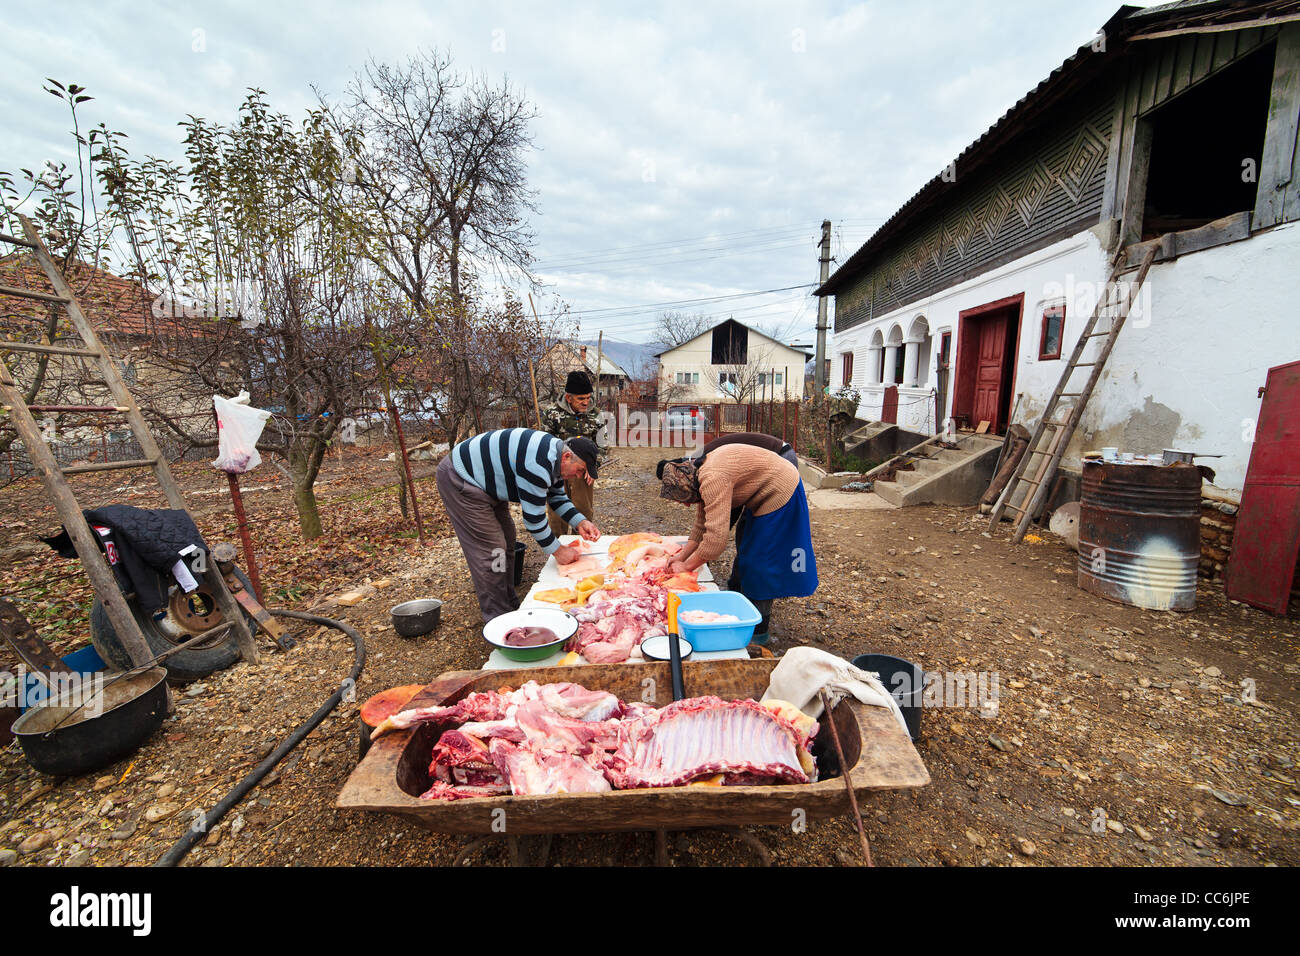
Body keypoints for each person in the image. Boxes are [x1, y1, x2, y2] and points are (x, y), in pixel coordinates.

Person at [437, 428, 601, 622]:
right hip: (462, 479)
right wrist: (558, 551)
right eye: (580, 470)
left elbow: (556, 497)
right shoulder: (538, 464)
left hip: (488, 485)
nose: (579, 476)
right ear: (566, 457)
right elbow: (533, 519)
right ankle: (499, 618)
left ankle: (509, 602)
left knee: (508, 538)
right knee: (493, 549)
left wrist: (579, 521)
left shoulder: (556, 461)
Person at [659, 444, 818, 643]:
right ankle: (740, 604)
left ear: (688, 487)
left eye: (685, 500)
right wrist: (680, 556)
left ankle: (759, 631)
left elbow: (715, 542)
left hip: (780, 489)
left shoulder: (712, 479)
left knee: (760, 561)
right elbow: (702, 526)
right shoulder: (698, 475)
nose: (687, 505)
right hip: (761, 490)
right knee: (748, 552)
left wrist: (685, 567)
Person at [544, 370, 609, 538]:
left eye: (588, 398)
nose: (586, 402)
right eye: (581, 399)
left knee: (583, 510)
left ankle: (582, 547)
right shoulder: (552, 413)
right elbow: (545, 443)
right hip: (558, 470)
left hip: (583, 470)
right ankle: (558, 549)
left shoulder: (596, 415)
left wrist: (593, 466)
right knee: (556, 514)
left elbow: (603, 445)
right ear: (568, 397)